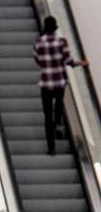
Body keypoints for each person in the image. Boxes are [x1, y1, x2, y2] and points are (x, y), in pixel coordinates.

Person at [33, 15, 89, 157]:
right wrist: (82, 63)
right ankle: (56, 124)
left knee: (47, 115)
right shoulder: (62, 42)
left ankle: (51, 148)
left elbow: (38, 61)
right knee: (58, 108)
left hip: (46, 84)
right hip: (59, 83)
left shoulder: (38, 43)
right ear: (55, 28)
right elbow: (69, 61)